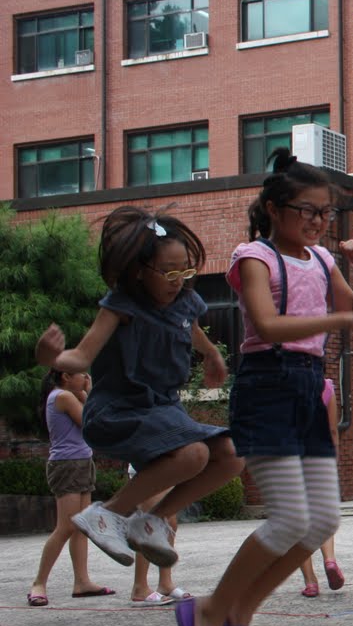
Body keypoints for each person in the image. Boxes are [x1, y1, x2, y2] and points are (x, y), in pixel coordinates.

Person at [171, 150, 353, 626]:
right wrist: (342, 313)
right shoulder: (253, 256)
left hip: (310, 385)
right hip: (268, 385)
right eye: (306, 210)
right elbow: (264, 324)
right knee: (289, 519)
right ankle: (212, 609)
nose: (316, 222)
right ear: (273, 208)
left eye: (325, 213)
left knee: (322, 520)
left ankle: (239, 612)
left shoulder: (324, 260)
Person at [35, 208, 241, 577]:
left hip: (164, 408)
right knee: (193, 455)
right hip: (119, 409)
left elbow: (191, 327)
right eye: (168, 272)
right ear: (139, 270)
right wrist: (51, 357)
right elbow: (81, 355)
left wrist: (211, 354)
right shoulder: (121, 306)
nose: (177, 282)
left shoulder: (185, 303)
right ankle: (107, 514)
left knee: (232, 455)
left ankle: (149, 522)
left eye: (185, 272)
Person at [26, 369, 112, 605]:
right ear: (65, 376)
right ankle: (39, 583)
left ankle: (82, 582)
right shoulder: (62, 396)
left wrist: (87, 394)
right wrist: (89, 394)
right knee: (65, 527)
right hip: (67, 465)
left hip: (83, 462)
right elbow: (91, 424)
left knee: (81, 527)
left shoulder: (71, 395)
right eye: (82, 374)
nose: (86, 378)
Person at [298, 379, 346, 597]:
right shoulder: (326, 386)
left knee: (299, 523)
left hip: (291, 457)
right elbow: (333, 430)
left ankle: (311, 582)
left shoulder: (281, 383)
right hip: (319, 456)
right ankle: (330, 559)